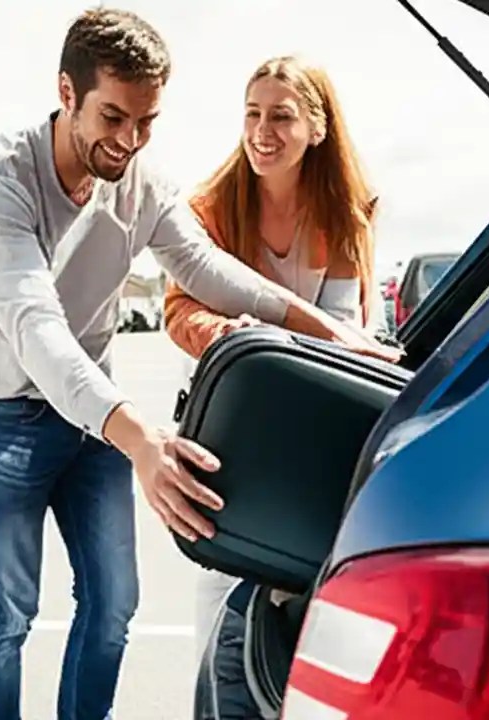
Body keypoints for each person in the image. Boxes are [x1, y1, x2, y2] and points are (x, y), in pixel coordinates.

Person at [0, 10, 400, 720]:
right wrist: (142, 440)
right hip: (7, 411)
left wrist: (333, 335)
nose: (128, 140)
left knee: (113, 606)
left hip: (96, 412)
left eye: (147, 121)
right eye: (113, 117)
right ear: (66, 92)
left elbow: (212, 270)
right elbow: (36, 328)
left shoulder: (143, 183)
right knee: (9, 607)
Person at [161, 55, 394, 657]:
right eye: (252, 114)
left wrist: (277, 346)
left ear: (317, 128)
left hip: (306, 410)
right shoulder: (208, 208)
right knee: (221, 570)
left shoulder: (346, 209)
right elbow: (180, 310)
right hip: (231, 415)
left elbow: (344, 329)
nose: (262, 132)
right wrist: (229, 336)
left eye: (281, 117)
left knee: (305, 571)